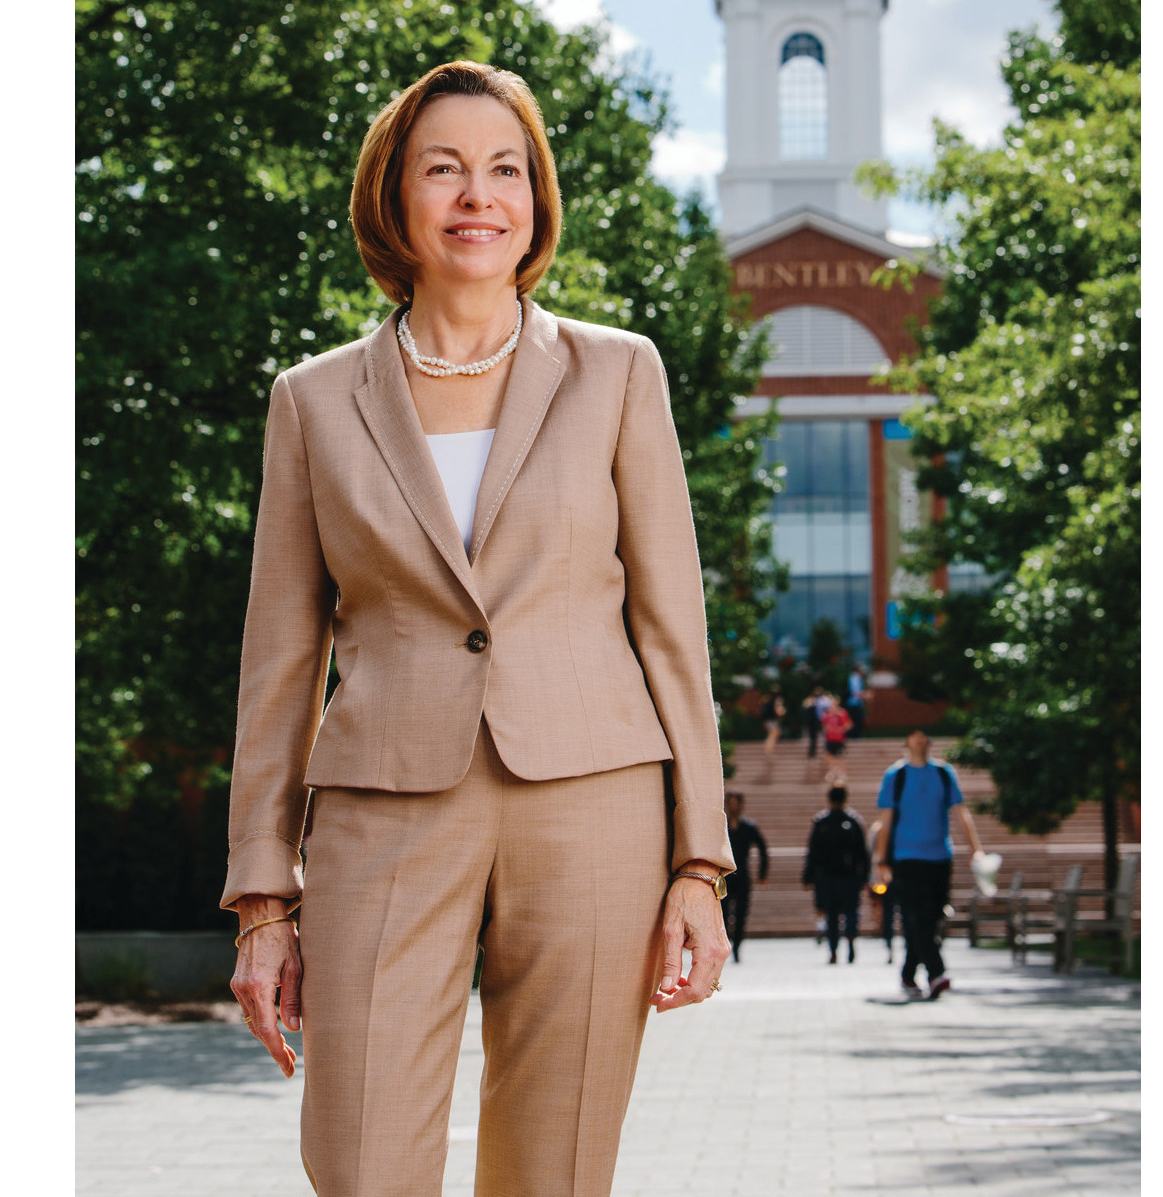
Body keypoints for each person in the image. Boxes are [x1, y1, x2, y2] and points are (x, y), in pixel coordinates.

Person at [219, 61, 735, 1197]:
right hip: (381, 816)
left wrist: (698, 862)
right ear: (394, 198)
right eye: (442, 169)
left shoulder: (616, 373)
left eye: (504, 170)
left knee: (553, 1170)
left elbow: (669, 628)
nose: (476, 196)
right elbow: (279, 659)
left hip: (592, 807)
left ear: (536, 200)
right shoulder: (312, 400)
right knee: (358, 1159)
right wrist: (262, 899)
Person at [874, 729, 987, 1000]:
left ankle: (907, 973)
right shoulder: (896, 776)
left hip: (939, 856)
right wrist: (881, 859)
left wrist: (976, 849)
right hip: (906, 856)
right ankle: (936, 973)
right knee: (917, 915)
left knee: (931, 917)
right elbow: (885, 821)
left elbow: (961, 813)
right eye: (914, 736)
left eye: (924, 736)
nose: (919, 741)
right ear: (906, 741)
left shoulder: (944, 773)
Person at [802, 785, 873, 963]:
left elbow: (813, 852)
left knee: (832, 915)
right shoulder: (854, 821)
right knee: (851, 913)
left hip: (826, 877)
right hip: (849, 877)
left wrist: (808, 876)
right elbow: (863, 853)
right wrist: (864, 876)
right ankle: (850, 941)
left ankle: (833, 951)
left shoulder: (821, 822)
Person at [724, 792, 769, 961]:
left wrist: (762, 874)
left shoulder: (749, 827)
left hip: (743, 875)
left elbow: (763, 849)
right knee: (724, 913)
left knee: (741, 914)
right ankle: (726, 944)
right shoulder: (722, 826)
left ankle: (737, 946)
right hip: (725, 876)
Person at [817, 694, 852, 790]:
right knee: (829, 756)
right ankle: (832, 771)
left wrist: (841, 729)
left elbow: (848, 724)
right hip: (830, 739)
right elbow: (824, 725)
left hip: (839, 739)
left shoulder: (842, 713)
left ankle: (842, 774)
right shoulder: (827, 714)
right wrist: (828, 729)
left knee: (841, 757)